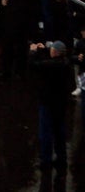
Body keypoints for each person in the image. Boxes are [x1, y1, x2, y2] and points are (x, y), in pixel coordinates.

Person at [29, 40, 74, 169]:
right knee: (59, 131)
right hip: (60, 103)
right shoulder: (65, 64)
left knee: (45, 132)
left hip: (47, 103)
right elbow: (51, 60)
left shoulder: (51, 66)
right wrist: (43, 50)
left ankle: (46, 160)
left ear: (54, 52)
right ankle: (61, 158)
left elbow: (34, 65)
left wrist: (32, 51)